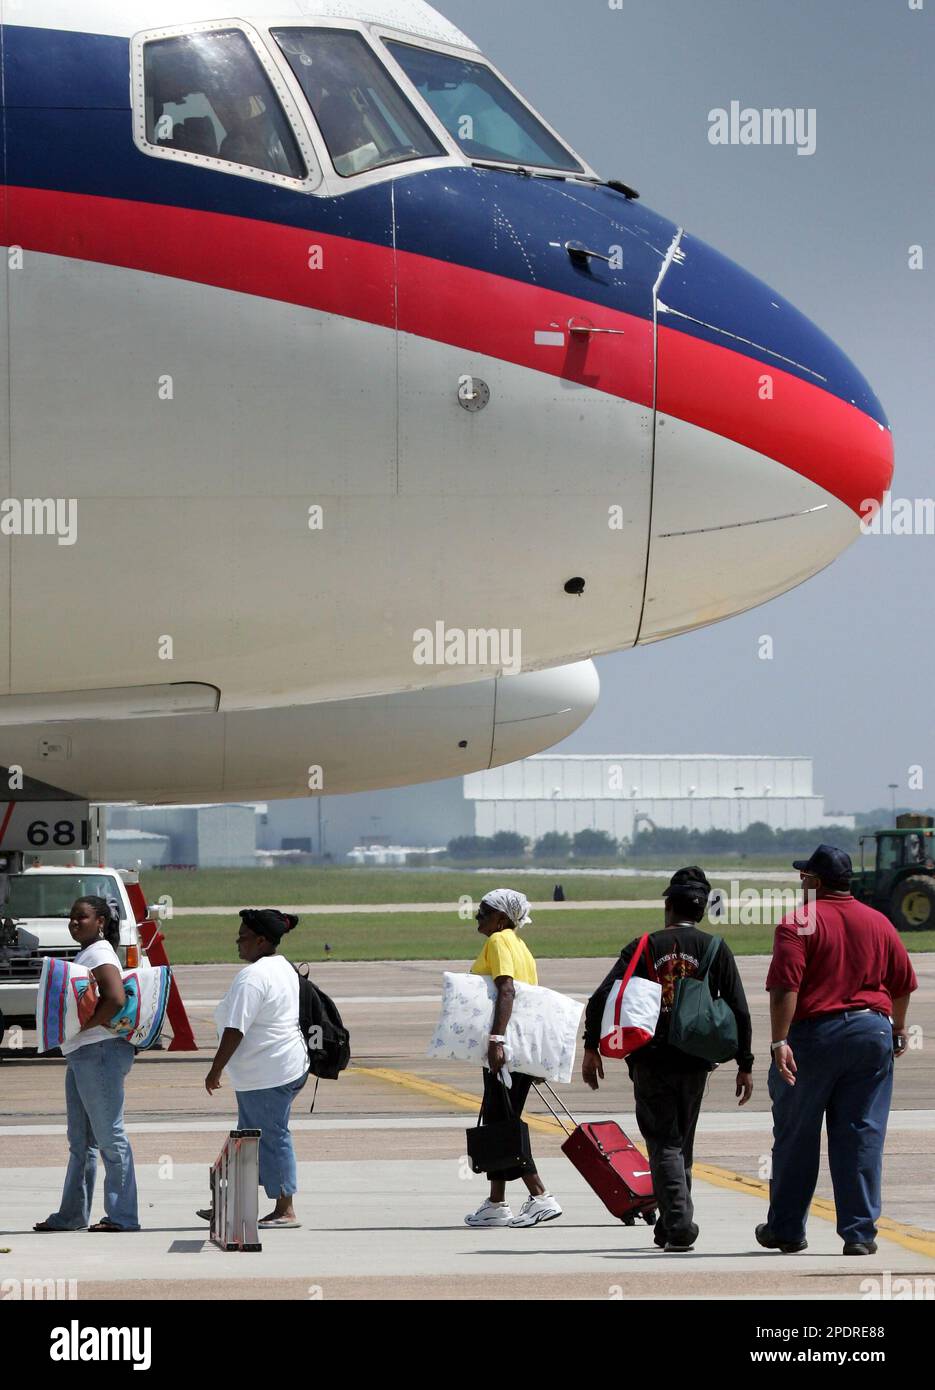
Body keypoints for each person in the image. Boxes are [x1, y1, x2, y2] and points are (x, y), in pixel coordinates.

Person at [582, 867, 754, 1252]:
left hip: (651, 1059)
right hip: (696, 1062)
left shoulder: (644, 946)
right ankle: (671, 1222)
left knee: (664, 1143)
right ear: (702, 909)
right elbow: (740, 1010)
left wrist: (592, 1046)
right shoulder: (714, 948)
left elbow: (599, 998)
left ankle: (676, 1225)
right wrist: (745, 1063)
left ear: (668, 905)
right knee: (680, 1144)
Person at [758, 845, 917, 1256]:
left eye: (803, 878)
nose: (800, 885)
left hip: (814, 1036)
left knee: (796, 1135)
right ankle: (860, 1234)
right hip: (871, 1034)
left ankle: (787, 1229)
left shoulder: (798, 924)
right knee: (862, 1133)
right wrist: (897, 1029)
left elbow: (785, 988)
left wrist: (779, 1041)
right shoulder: (880, 922)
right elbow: (902, 983)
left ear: (814, 881)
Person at [34, 896, 140, 1233]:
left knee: (110, 1137)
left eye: (82, 917)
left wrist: (82, 1027)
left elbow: (116, 998)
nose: (74, 922)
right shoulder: (88, 952)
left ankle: (123, 1216)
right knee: (81, 1142)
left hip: (100, 1054)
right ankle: (72, 1214)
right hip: (83, 1055)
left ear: (101, 922)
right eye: (72, 917)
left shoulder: (99, 953)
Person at [203, 909, 310, 1229]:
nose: (238, 941)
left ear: (262, 941)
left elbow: (236, 1029)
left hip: (268, 1073)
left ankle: (285, 1208)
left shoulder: (253, 977)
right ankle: (230, 1201)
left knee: (271, 1137)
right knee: (248, 1137)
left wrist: (215, 1070)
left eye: (244, 936)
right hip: (283, 1067)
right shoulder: (282, 966)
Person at [464, 888, 562, 1229]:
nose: (477, 916)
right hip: (521, 1048)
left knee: (503, 1124)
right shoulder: (521, 947)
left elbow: (507, 990)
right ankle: (496, 1202)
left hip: (506, 1050)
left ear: (502, 918)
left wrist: (495, 1040)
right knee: (499, 1119)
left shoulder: (499, 942)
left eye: (484, 911)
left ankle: (540, 1196)